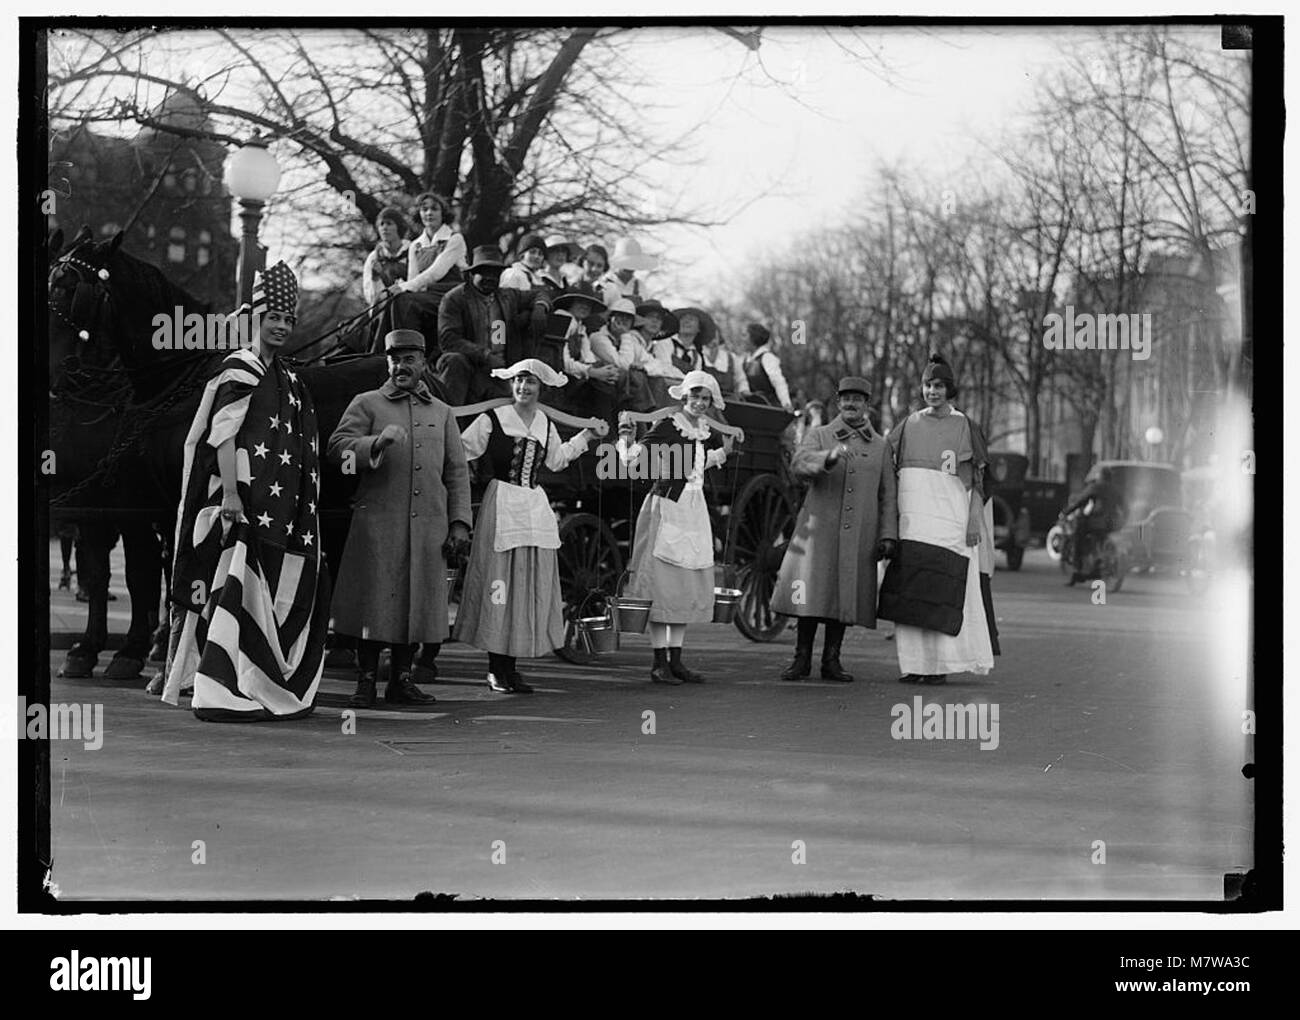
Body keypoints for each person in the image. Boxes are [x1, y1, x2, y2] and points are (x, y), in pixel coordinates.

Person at [162, 261, 331, 720]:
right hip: (240, 502)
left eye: (288, 319)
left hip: (276, 509)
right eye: (273, 317)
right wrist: (233, 496)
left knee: (263, 591)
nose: (281, 326)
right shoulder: (239, 368)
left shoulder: (290, 378)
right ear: (256, 317)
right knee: (231, 590)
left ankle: (257, 682)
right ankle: (220, 689)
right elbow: (223, 434)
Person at [326, 329, 473, 708]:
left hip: (428, 527)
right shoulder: (367, 403)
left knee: (418, 604)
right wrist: (373, 444)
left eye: (409, 359)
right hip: (379, 525)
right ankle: (366, 681)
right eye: (394, 359)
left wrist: (459, 523)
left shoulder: (442, 413)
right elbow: (336, 453)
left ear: (424, 363)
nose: (401, 366)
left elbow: (456, 472)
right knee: (374, 606)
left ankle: (402, 681)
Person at [454, 359, 609, 692]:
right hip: (502, 503)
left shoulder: (544, 423)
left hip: (532, 507)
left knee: (523, 587)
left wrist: (586, 436)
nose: (524, 388)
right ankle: (496, 668)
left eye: (531, 383)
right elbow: (461, 451)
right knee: (500, 585)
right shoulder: (492, 419)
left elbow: (555, 460)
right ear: (512, 385)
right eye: (520, 381)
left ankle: (512, 667)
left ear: (541, 388)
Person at [877, 353, 995, 685]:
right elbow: (885, 463)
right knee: (911, 594)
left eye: (939, 386)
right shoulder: (909, 424)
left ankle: (941, 666)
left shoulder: (965, 426)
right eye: (928, 385)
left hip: (950, 523)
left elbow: (978, 482)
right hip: (914, 522)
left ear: (949, 389)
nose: (933, 391)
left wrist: (974, 522)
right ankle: (915, 665)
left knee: (944, 589)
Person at [771, 377, 897, 682]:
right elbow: (799, 465)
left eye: (858, 399)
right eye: (845, 399)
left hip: (859, 534)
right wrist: (828, 457)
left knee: (843, 595)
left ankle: (832, 660)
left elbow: (888, 495)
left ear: (867, 405)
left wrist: (888, 535)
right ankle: (801, 659)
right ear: (838, 403)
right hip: (819, 530)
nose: (851, 404)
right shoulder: (820, 435)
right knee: (812, 594)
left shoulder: (880, 446)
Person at [616, 370, 737, 685]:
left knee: (683, 586)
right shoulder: (669, 425)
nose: (699, 402)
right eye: (695, 396)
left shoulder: (700, 429)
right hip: (667, 509)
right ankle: (659, 662)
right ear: (684, 397)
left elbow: (695, 466)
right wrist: (625, 439)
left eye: (705, 398)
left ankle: (676, 659)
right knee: (663, 588)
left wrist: (724, 451)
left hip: (692, 512)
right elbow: (631, 459)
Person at [436, 245, 542, 405]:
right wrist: (484, 355)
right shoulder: (454, 298)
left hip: (501, 372)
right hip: (469, 366)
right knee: (454, 361)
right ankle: (449, 419)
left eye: (495, 273)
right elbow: (448, 340)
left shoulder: (507, 296)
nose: (490, 278)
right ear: (472, 274)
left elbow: (540, 294)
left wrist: (540, 308)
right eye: (484, 272)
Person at [389, 193, 467, 342]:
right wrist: (400, 288)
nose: (429, 213)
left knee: (407, 301)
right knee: (393, 300)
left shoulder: (454, 239)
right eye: (424, 209)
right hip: (427, 296)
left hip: (451, 294)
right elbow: (413, 279)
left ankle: (411, 348)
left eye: (434, 209)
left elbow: (436, 272)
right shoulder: (415, 245)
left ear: (443, 213)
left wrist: (405, 287)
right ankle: (390, 349)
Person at [553, 282, 620, 423]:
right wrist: (592, 372)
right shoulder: (563, 319)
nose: (585, 307)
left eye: (588, 304)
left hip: (575, 376)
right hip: (558, 377)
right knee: (602, 386)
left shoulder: (580, 326)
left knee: (610, 376)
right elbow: (561, 361)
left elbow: (588, 356)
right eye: (580, 302)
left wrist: (601, 370)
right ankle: (606, 433)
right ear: (570, 302)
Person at [1060, 465, 1127, 583]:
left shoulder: (1096, 487)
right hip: (1112, 524)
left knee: (1078, 537)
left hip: (1096, 523)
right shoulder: (1116, 490)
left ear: (1099, 477)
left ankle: (1077, 567)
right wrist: (1124, 521)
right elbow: (1125, 509)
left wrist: (1066, 512)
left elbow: (1080, 502)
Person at [362, 206, 411, 308]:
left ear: (398, 226)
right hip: (384, 307)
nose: (384, 228)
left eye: (389, 223)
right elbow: (371, 298)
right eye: (381, 224)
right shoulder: (374, 257)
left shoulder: (411, 251)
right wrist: (375, 278)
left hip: (409, 304)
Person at [741, 323, 794, 412]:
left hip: (769, 407)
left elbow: (779, 382)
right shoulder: (746, 360)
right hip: (753, 407)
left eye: (744, 335)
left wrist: (786, 403)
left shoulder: (767, 357)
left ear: (753, 338)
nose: (742, 339)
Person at [599, 238, 655, 307]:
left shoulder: (640, 286)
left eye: (632, 263)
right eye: (626, 263)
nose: (629, 268)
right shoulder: (604, 282)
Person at [701, 331, 749, 399]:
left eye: (714, 337)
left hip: (730, 403)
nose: (712, 341)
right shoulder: (698, 357)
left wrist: (744, 391)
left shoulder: (731, 358)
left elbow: (741, 380)